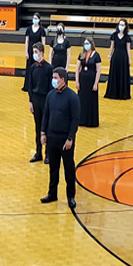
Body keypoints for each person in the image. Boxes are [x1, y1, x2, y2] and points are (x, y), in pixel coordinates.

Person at [40, 67, 80, 208]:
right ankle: (52, 193)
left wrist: (70, 138)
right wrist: (43, 133)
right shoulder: (50, 95)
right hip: (52, 137)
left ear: (62, 80)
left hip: (65, 139)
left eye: (55, 78)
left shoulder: (72, 97)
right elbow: (46, 115)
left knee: (68, 168)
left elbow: (75, 120)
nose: (53, 80)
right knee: (53, 167)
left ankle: (71, 196)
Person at [27, 42, 53, 164]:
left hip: (45, 100)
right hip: (36, 99)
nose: (34, 54)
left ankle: (48, 153)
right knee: (37, 127)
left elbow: (51, 88)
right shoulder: (32, 68)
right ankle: (38, 152)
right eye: (33, 52)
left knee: (46, 127)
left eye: (36, 52)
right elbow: (30, 85)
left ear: (42, 53)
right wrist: (30, 101)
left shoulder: (49, 68)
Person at [75, 38, 102, 128]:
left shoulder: (96, 55)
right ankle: (81, 120)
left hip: (91, 80)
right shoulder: (82, 54)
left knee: (91, 100)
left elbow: (98, 70)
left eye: (87, 43)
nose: (86, 45)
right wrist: (77, 81)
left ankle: (91, 121)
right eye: (85, 43)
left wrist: (96, 83)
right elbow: (77, 68)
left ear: (91, 44)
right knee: (82, 100)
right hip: (83, 81)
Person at [105, 19, 132, 100]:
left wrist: (129, 59)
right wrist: (110, 55)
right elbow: (112, 46)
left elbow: (128, 49)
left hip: (123, 57)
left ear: (126, 26)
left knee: (123, 74)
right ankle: (113, 93)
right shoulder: (114, 35)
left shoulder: (127, 37)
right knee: (114, 74)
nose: (121, 26)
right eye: (120, 24)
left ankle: (122, 93)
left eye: (123, 25)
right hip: (115, 56)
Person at [23, 13, 47, 91]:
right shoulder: (29, 29)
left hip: (38, 52)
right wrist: (26, 52)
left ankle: (37, 85)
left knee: (37, 68)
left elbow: (43, 43)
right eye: (34, 18)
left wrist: (42, 53)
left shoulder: (42, 30)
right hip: (30, 51)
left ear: (39, 20)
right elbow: (27, 41)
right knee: (29, 68)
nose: (34, 20)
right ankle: (28, 86)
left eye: (36, 18)